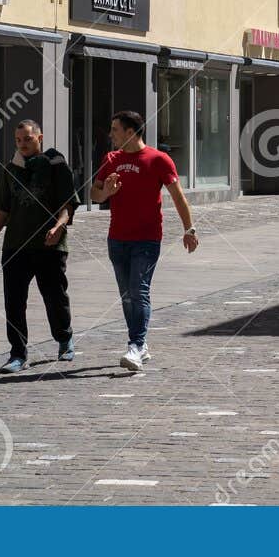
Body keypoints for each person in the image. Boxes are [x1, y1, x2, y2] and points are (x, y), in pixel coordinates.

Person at [90, 110, 201, 371]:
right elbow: (94, 195)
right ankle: (140, 344)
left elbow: (178, 197)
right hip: (117, 238)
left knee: (138, 291)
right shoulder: (111, 159)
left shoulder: (159, 159)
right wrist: (106, 191)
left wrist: (190, 229)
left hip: (147, 239)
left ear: (130, 132)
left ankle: (136, 346)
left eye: (115, 129)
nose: (111, 134)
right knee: (126, 295)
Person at [0, 120, 79, 373]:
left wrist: (58, 226)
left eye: (27, 138)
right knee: (14, 301)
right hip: (15, 245)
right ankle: (17, 353)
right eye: (18, 140)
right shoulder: (11, 169)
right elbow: (3, 208)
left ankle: (64, 337)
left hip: (50, 246)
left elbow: (67, 204)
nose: (23, 144)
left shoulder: (56, 164)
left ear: (39, 137)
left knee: (54, 296)